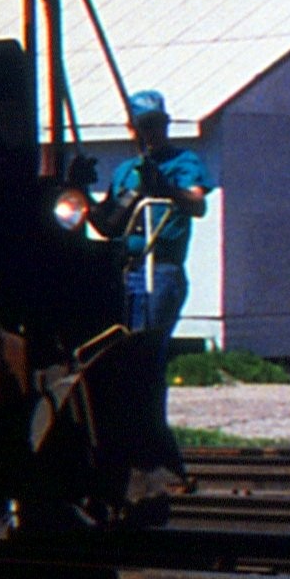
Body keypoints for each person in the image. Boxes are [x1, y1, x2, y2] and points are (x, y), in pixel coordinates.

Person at [94, 90, 212, 497]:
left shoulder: (184, 163)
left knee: (145, 361)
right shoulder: (126, 171)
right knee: (122, 363)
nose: (150, 133)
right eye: (143, 126)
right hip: (127, 272)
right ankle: (129, 451)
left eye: (156, 125)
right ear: (133, 129)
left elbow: (196, 205)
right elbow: (108, 224)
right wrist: (82, 195)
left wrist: (167, 189)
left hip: (159, 270)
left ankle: (155, 456)